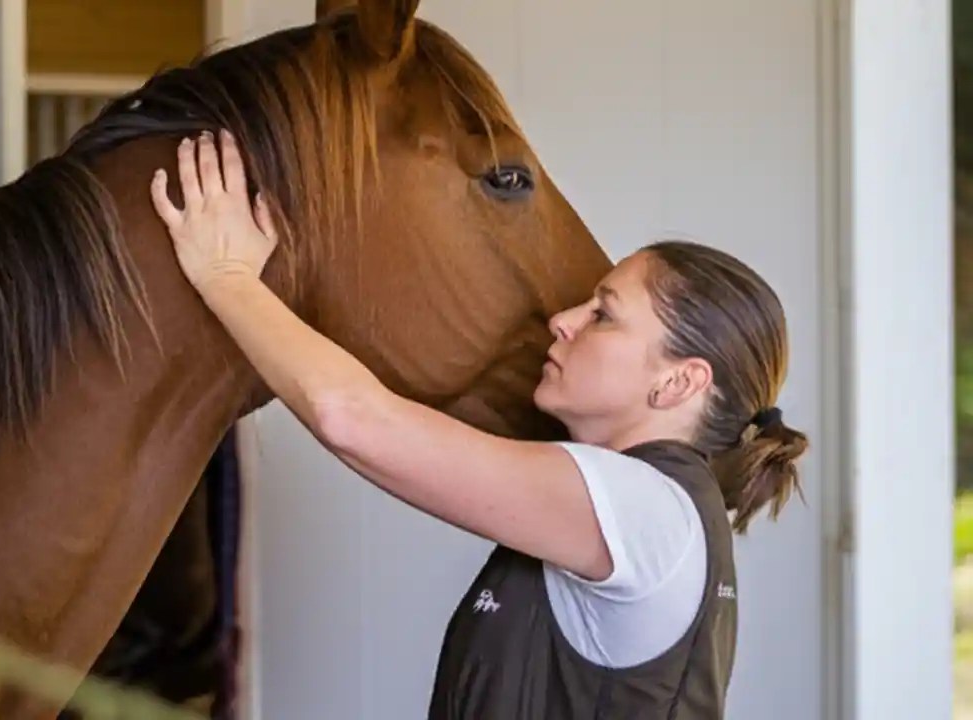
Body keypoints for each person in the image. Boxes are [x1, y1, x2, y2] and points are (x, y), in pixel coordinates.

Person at [149, 130, 809, 719]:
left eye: (603, 315)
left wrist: (227, 277)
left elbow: (354, 418)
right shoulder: (653, 507)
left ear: (679, 381)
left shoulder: (642, 506)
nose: (563, 320)